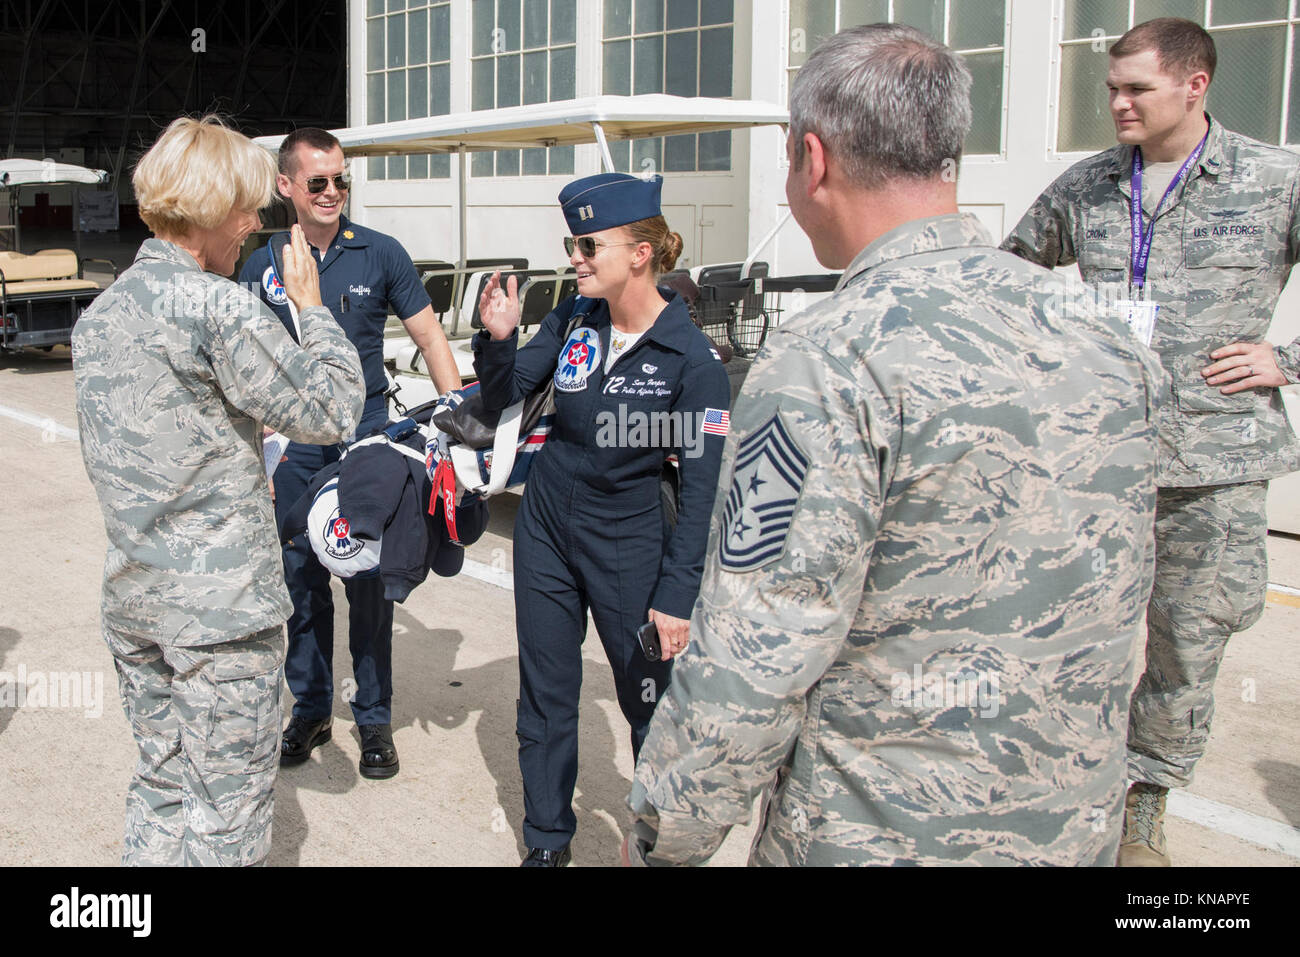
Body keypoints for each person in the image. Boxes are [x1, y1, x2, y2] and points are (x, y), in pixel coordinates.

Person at [624, 23, 1163, 866]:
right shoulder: (1104, 336)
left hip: (883, 835)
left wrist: (667, 831)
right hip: (1070, 830)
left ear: (815, 159)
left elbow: (756, 656)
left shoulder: (828, 358)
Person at [1001, 17, 1300, 866]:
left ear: (1195, 84)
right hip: (1098, 462)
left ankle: (1146, 805)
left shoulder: (1274, 180)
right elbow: (1008, 276)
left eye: (1136, 87)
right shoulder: (1088, 185)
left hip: (1215, 467)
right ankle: (1059, 782)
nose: (1118, 102)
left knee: (1186, 643)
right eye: (1112, 88)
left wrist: (1286, 357)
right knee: (1063, 629)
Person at [72, 115, 364, 866]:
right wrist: (311, 307)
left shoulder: (100, 315)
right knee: (226, 817)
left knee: (162, 787)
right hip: (221, 617)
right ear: (206, 209)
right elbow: (331, 409)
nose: (253, 226)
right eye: (246, 208)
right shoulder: (218, 307)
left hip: (138, 603)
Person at [474, 172, 731, 865]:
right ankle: (548, 841)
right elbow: (507, 392)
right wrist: (498, 340)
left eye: (589, 244)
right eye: (572, 243)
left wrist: (677, 595)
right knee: (547, 695)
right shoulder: (570, 320)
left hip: (631, 539)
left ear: (641, 252)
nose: (575, 257)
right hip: (548, 528)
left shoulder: (692, 360)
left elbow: (704, 490)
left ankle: (658, 843)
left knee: (650, 702)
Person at [240, 128, 461, 780]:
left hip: (367, 441)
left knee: (368, 583)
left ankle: (373, 721)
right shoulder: (262, 264)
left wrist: (457, 427)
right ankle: (309, 708)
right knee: (300, 582)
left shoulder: (381, 254)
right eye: (318, 182)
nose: (332, 191)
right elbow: (246, 369)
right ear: (287, 187)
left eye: (340, 180)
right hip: (297, 447)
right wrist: (259, 457)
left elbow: (430, 336)